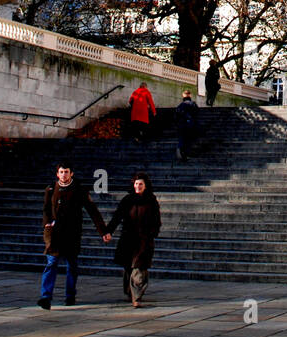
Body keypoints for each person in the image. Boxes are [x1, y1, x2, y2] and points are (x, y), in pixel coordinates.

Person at [39, 161, 110, 309]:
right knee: (51, 262)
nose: (63, 175)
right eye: (61, 172)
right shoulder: (51, 189)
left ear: (71, 173)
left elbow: (92, 210)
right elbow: (46, 208)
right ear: (57, 174)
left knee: (72, 264)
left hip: (72, 232)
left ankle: (70, 295)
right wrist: (47, 223)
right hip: (55, 232)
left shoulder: (79, 189)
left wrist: (103, 230)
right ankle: (45, 297)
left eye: (66, 172)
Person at [106, 173, 162, 307]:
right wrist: (108, 231)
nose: (138, 186)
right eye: (136, 184)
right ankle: (129, 292)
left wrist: (152, 233)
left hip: (144, 239)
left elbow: (156, 220)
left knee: (139, 267)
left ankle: (136, 296)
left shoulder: (151, 200)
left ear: (146, 186)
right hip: (128, 238)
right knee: (128, 267)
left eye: (141, 184)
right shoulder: (127, 200)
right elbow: (117, 216)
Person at [175, 89, 199, 162]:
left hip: (181, 124)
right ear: (190, 95)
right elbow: (196, 114)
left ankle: (180, 148)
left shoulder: (180, 105)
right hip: (190, 124)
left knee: (182, 138)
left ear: (183, 96)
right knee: (188, 140)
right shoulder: (193, 104)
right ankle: (186, 154)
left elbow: (176, 116)